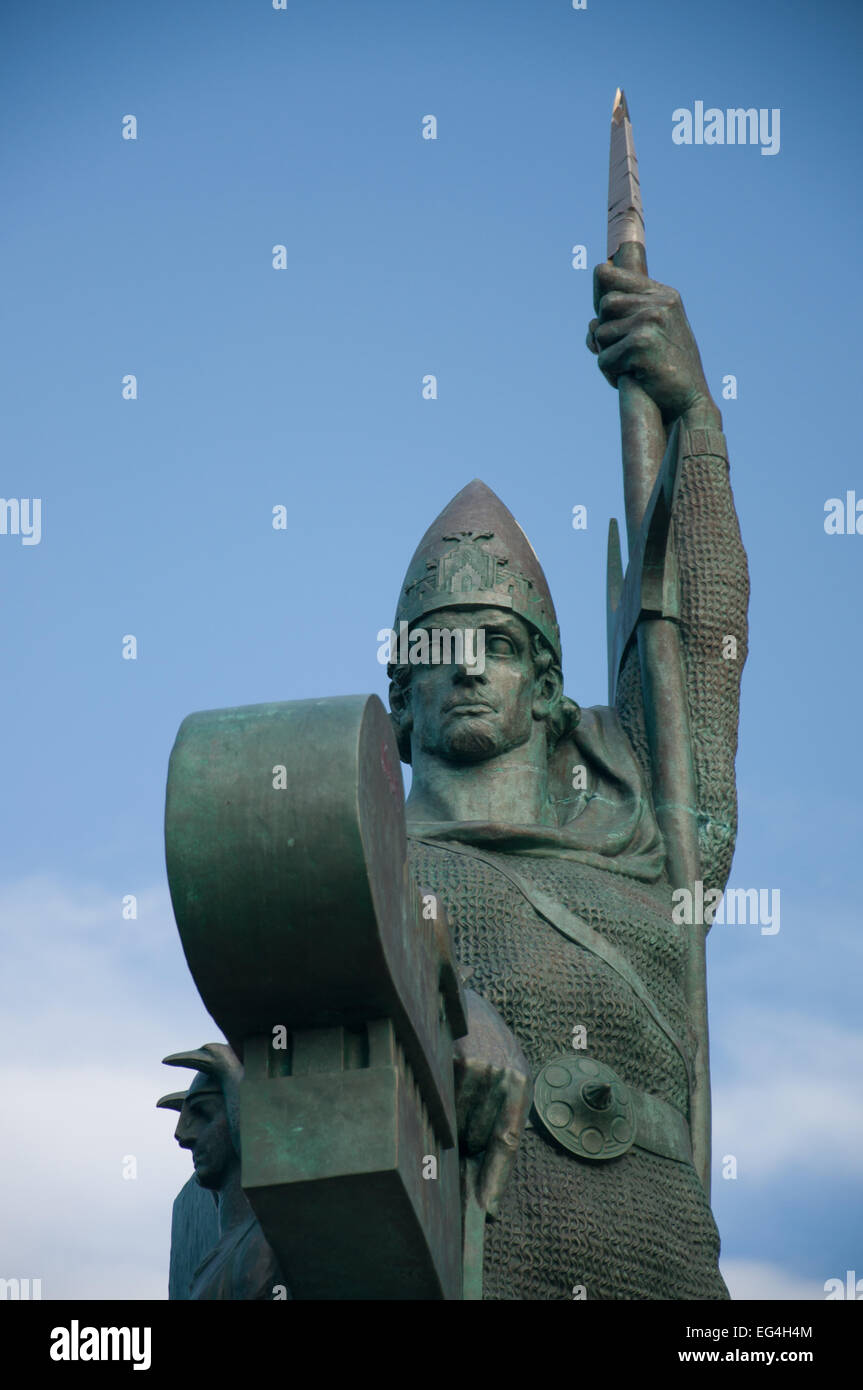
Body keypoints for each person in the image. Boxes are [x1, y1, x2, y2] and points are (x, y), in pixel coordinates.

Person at [387, 262, 749, 1299]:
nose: (462, 664)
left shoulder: (649, 846)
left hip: (666, 1272)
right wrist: (451, 1010)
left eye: (493, 643)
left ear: (546, 690)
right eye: (437, 645)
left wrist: (693, 412)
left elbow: (697, 639)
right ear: (398, 694)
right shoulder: (364, 869)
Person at [157, 1043, 287, 1300]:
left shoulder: (274, 1228)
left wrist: (232, 1076)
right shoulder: (220, 1255)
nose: (183, 1135)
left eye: (203, 1112)